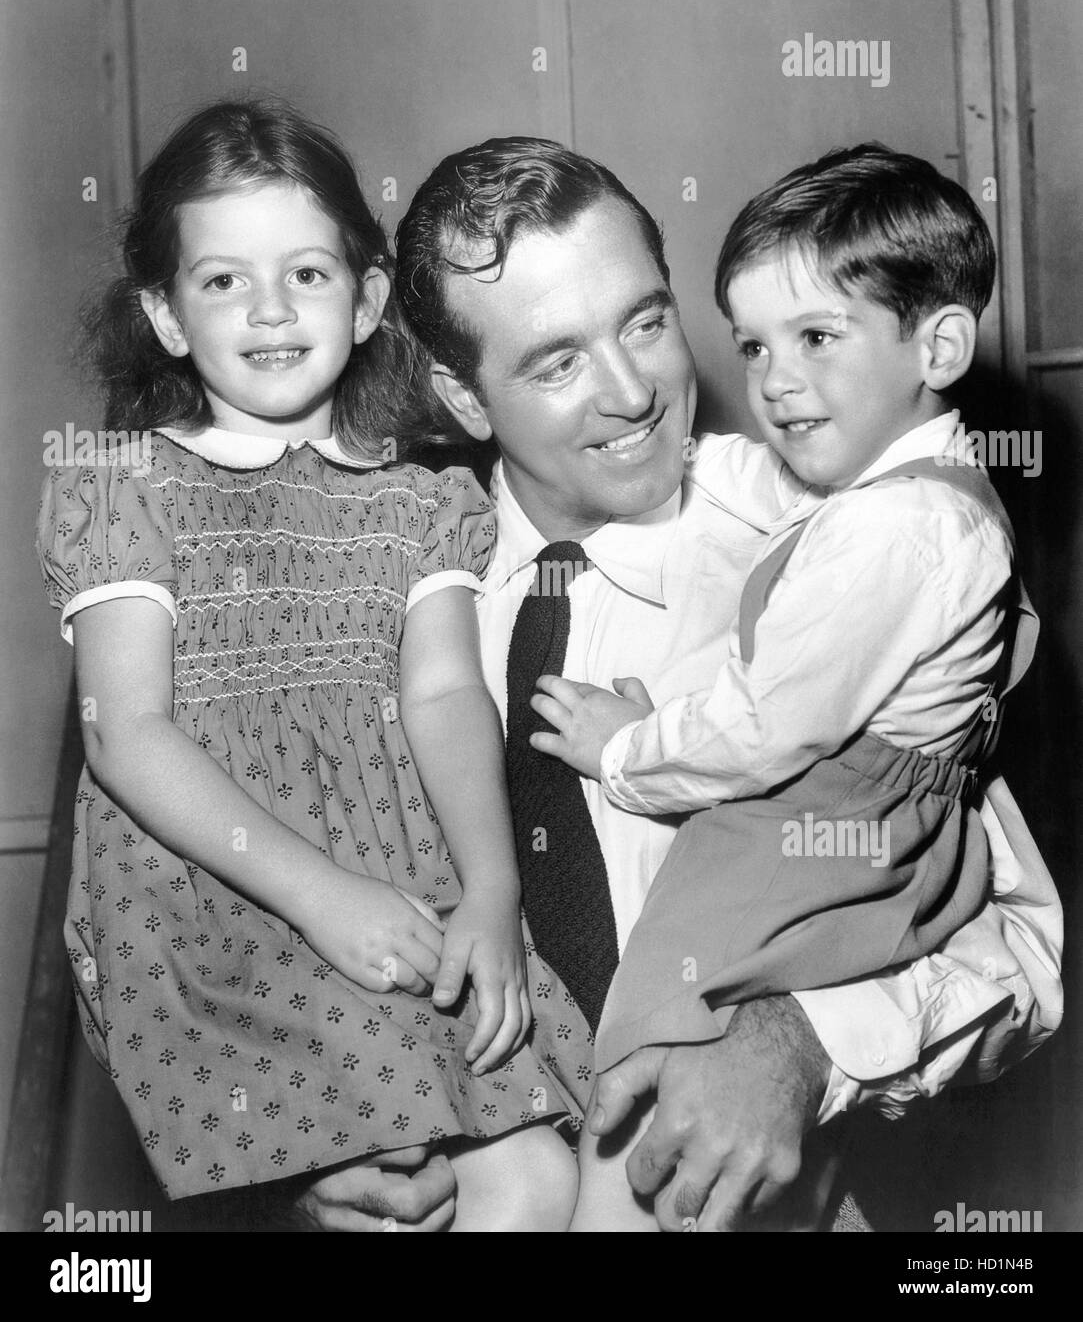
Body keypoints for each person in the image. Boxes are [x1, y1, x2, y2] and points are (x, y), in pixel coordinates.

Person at [300, 135, 1057, 1234]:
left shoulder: (830, 550)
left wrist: (805, 1043)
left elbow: (1020, 950)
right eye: (556, 361)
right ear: (465, 395)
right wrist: (315, 1145)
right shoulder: (381, 596)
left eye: (646, 323)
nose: (632, 393)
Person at [36, 101, 592, 1232]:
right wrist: (325, 897)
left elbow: (443, 694)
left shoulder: (420, 500)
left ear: (370, 295)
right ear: (166, 316)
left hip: (406, 880)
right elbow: (123, 730)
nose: (272, 309)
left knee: (534, 1181)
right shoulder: (121, 484)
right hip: (226, 893)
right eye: (224, 282)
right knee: (379, 1196)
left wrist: (490, 892)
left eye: (305, 271)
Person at [526, 143, 1050, 1228]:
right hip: (845, 816)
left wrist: (630, 749)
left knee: (651, 1069)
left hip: (812, 824)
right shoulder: (883, 493)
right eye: (754, 345)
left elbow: (767, 728)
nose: (773, 380)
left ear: (941, 342)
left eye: (817, 337)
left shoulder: (902, 527)